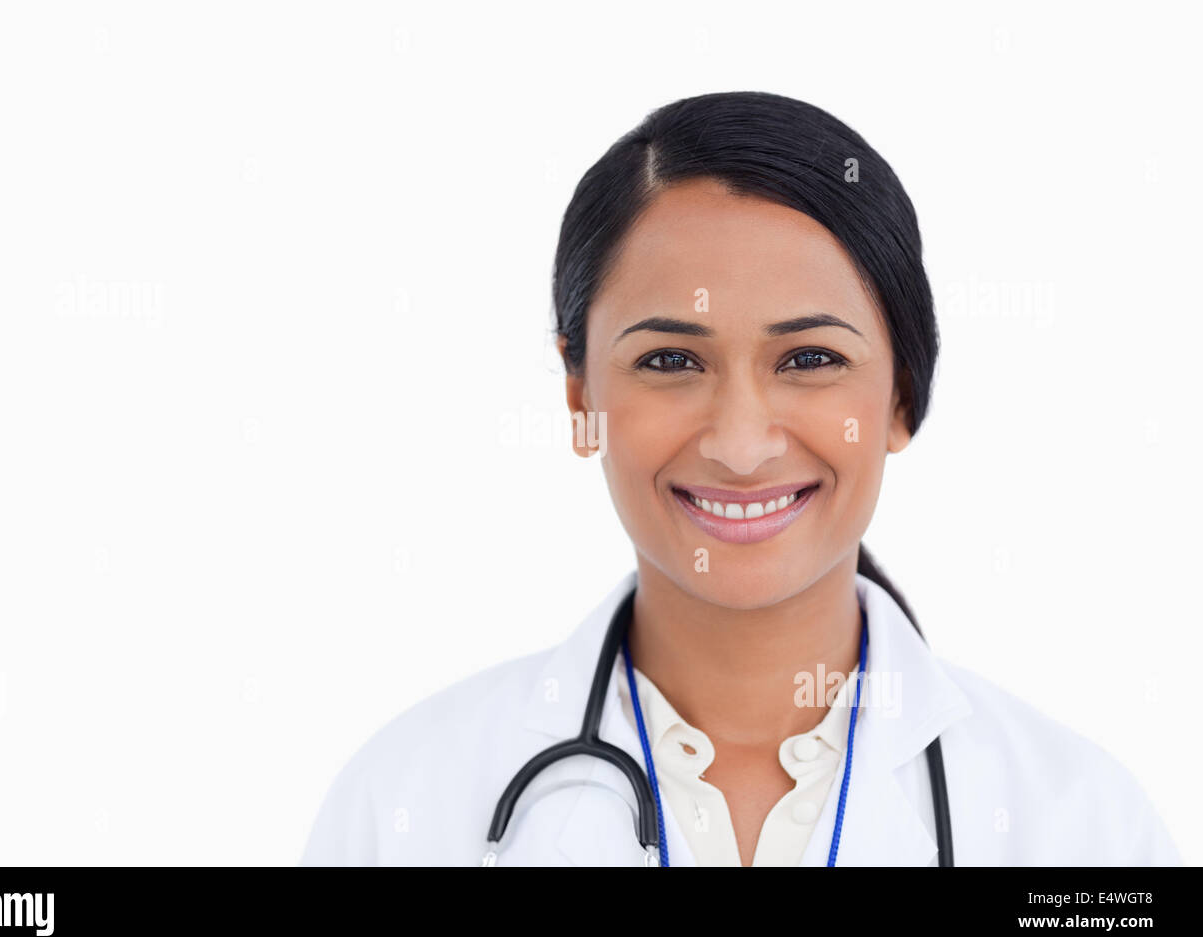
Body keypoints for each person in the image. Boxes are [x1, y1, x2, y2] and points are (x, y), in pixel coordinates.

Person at [300, 91, 1181, 866]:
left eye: (808, 357)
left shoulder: (1082, 833)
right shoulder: (405, 807)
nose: (742, 443)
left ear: (903, 397)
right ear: (580, 396)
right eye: (672, 359)